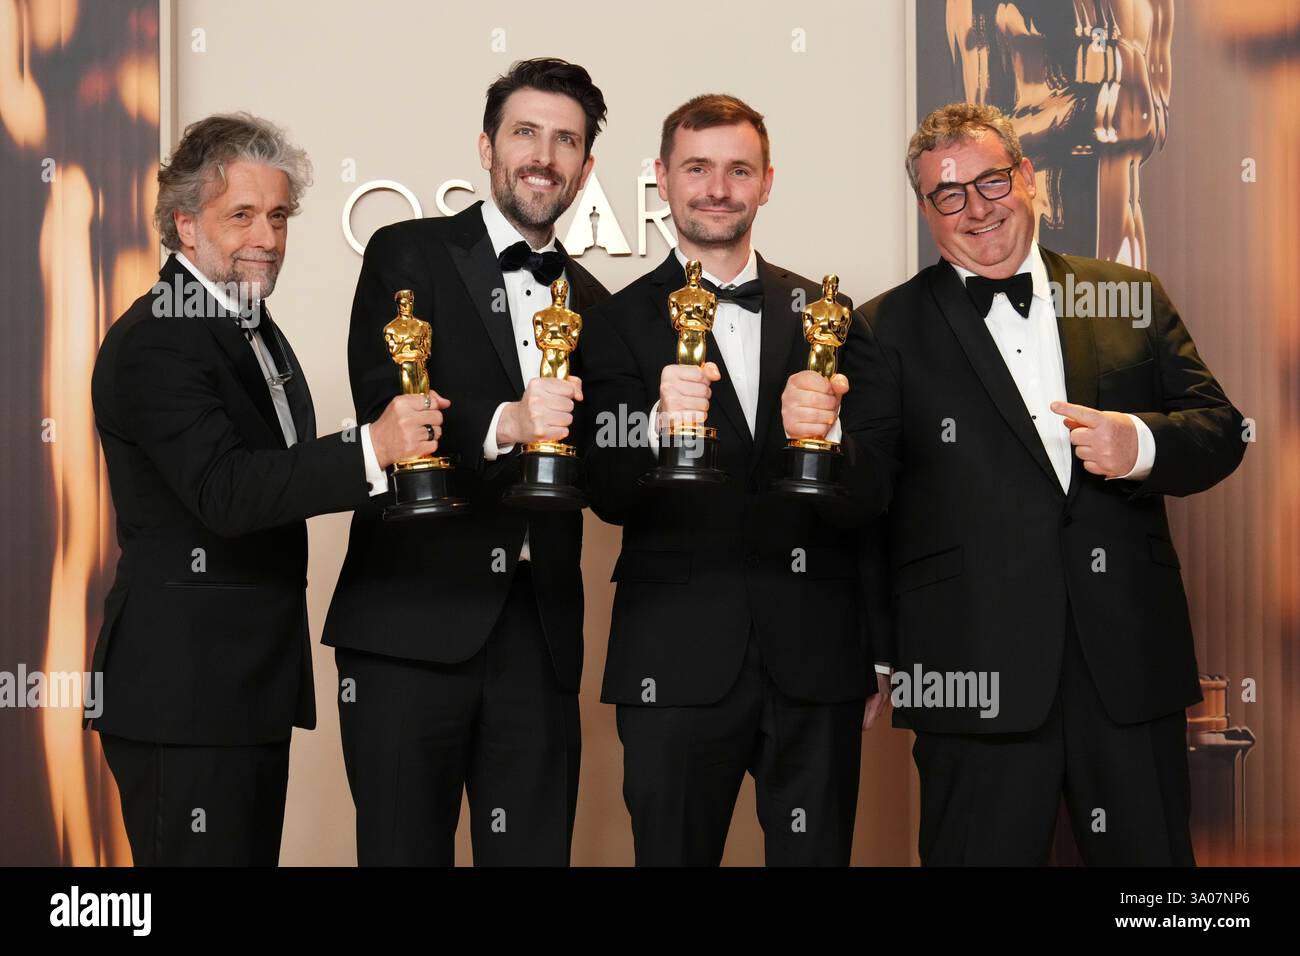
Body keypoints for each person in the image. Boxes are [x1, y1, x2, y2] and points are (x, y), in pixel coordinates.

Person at [859, 102, 1246, 865]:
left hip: (1129, 666)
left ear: (1027, 177)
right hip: (970, 674)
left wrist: (1137, 443)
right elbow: (868, 505)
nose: (976, 208)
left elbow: (1224, 431)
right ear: (926, 209)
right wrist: (872, 654)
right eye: (948, 193)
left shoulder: (1127, 295)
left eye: (991, 180)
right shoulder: (880, 327)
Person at [89, 113, 442, 865]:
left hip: (245, 690)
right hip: (183, 698)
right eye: (241, 215)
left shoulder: (247, 322)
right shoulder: (159, 336)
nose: (268, 237)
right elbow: (226, 492)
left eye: (278, 216)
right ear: (185, 223)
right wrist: (371, 448)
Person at [580, 94, 893, 866]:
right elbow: (607, 492)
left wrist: (832, 434)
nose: (717, 187)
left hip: (817, 658)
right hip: (674, 664)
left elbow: (880, 492)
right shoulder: (612, 320)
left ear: (767, 181)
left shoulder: (830, 315)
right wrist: (654, 423)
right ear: (661, 177)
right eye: (697, 167)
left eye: (738, 169)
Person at [322, 58, 610, 866]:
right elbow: (389, 398)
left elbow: (602, 458)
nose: (542, 156)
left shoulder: (594, 301)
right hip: (409, 624)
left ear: (586, 168)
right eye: (525, 132)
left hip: (539, 634)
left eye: (565, 141)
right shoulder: (404, 255)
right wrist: (507, 424)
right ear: (485, 146)